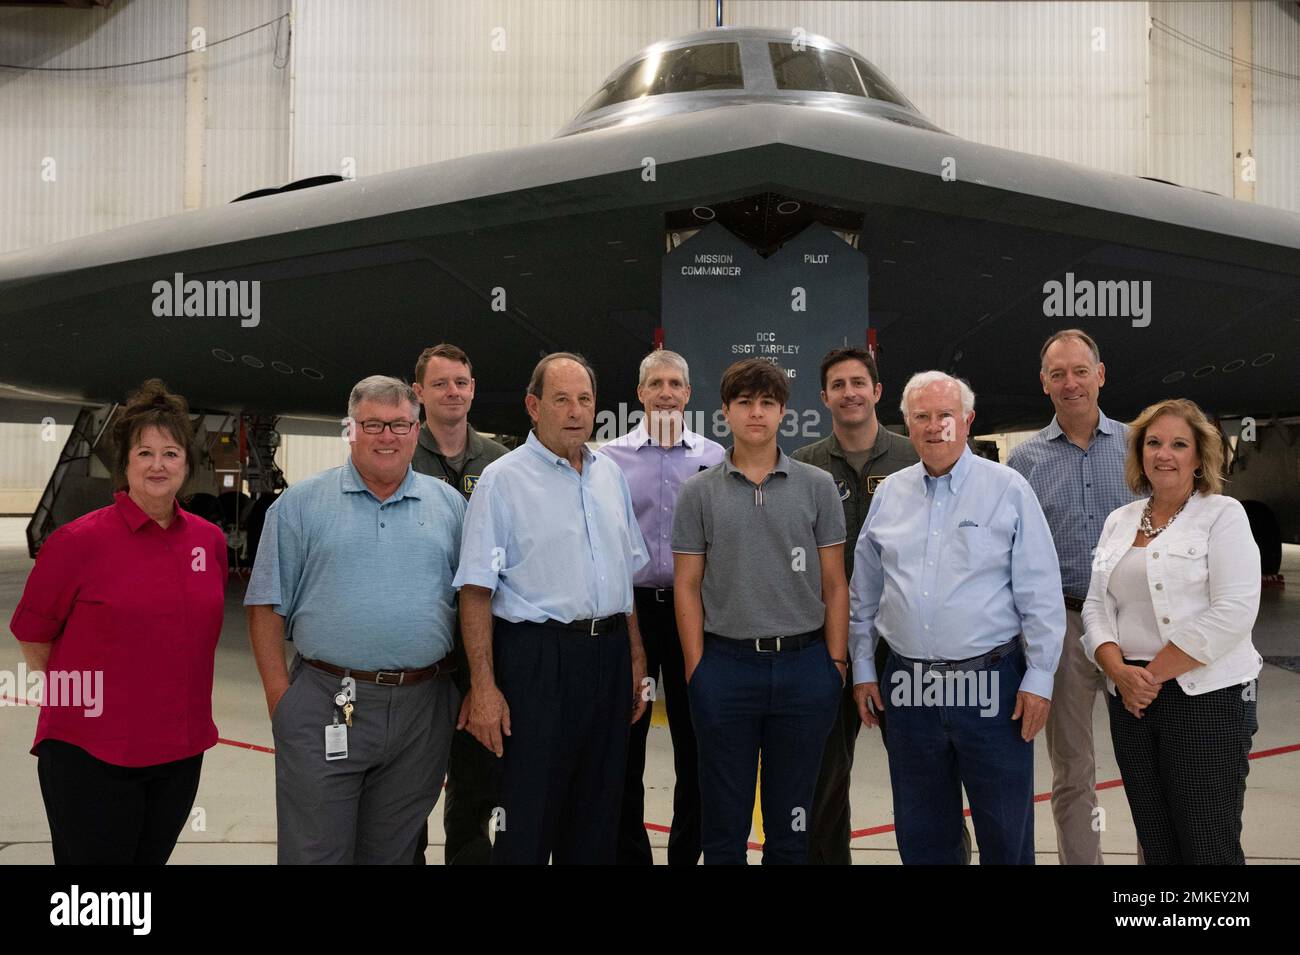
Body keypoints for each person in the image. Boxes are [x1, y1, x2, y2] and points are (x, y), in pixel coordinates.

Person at [246, 375, 465, 865]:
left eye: (399, 425)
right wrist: (282, 702)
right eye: (373, 425)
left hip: (421, 710)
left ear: (416, 430)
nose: (387, 437)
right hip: (325, 702)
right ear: (351, 430)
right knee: (315, 854)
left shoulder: (450, 506)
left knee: (392, 853)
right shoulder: (299, 506)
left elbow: (471, 602)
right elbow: (264, 606)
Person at [10, 379, 227, 864]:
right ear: (124, 463)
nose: (158, 465)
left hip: (179, 751)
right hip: (90, 754)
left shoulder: (208, 541)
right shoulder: (77, 542)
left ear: (187, 464)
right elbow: (33, 633)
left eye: (170, 453)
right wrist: (88, 703)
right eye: (144, 453)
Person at [850, 371, 1063, 864]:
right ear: (906, 424)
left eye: (945, 415)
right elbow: (865, 591)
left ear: (967, 421)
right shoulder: (891, 494)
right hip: (909, 687)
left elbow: (1040, 592)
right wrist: (863, 667)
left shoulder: (1007, 489)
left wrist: (1041, 676)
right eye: (921, 417)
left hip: (992, 686)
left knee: (1005, 834)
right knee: (923, 835)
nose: (934, 426)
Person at [453, 352, 649, 864]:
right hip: (536, 662)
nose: (576, 411)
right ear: (533, 406)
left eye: (585, 399)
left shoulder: (610, 476)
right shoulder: (502, 481)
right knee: (527, 815)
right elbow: (475, 591)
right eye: (561, 399)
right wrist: (484, 687)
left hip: (607, 657)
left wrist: (635, 662)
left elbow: (622, 579)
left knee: (598, 812)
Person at [672, 358, 848, 865]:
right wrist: (696, 667)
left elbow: (836, 584)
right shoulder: (698, 492)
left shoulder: (816, 487)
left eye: (767, 403)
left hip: (804, 668)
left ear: (783, 413)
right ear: (725, 410)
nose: (756, 413)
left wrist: (833, 664)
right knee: (723, 829)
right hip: (724, 670)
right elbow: (687, 585)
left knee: (792, 828)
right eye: (745, 402)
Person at [1082, 398, 1262, 865]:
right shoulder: (1118, 521)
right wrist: (1118, 669)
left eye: (1179, 444)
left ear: (1199, 457)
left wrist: (1148, 677)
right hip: (1131, 699)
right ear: (1140, 452)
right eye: (1154, 442)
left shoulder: (1222, 515)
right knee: (1156, 839)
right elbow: (1096, 604)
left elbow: (1233, 611)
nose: (1164, 453)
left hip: (1205, 697)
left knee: (1207, 843)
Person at [1008, 329, 1140, 864]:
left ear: (1100, 375)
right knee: (1073, 768)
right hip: (1063, 624)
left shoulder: (1140, 446)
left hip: (1133, 623)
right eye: (1058, 374)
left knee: (1148, 762)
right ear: (1044, 384)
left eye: (1080, 371)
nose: (1071, 383)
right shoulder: (1024, 462)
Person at [791, 346, 918, 865]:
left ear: (877, 392)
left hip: (907, 645)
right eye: (838, 385)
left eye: (858, 383)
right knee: (824, 778)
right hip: (831, 644)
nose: (850, 393)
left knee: (922, 775)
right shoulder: (803, 467)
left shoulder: (916, 457)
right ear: (824, 398)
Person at [599, 349, 724, 865]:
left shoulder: (715, 457)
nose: (667, 392)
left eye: (676, 383)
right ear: (642, 392)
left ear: (688, 394)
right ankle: (631, 856)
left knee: (696, 744)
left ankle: (686, 855)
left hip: (694, 611)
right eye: (657, 383)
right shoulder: (609, 459)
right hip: (632, 614)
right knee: (626, 743)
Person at [410, 343, 508, 866]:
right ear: (418, 392)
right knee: (407, 789)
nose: (454, 392)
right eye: (442, 383)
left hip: (481, 647)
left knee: (474, 785)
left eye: (462, 383)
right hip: (418, 645)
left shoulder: (499, 461)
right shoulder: (399, 452)